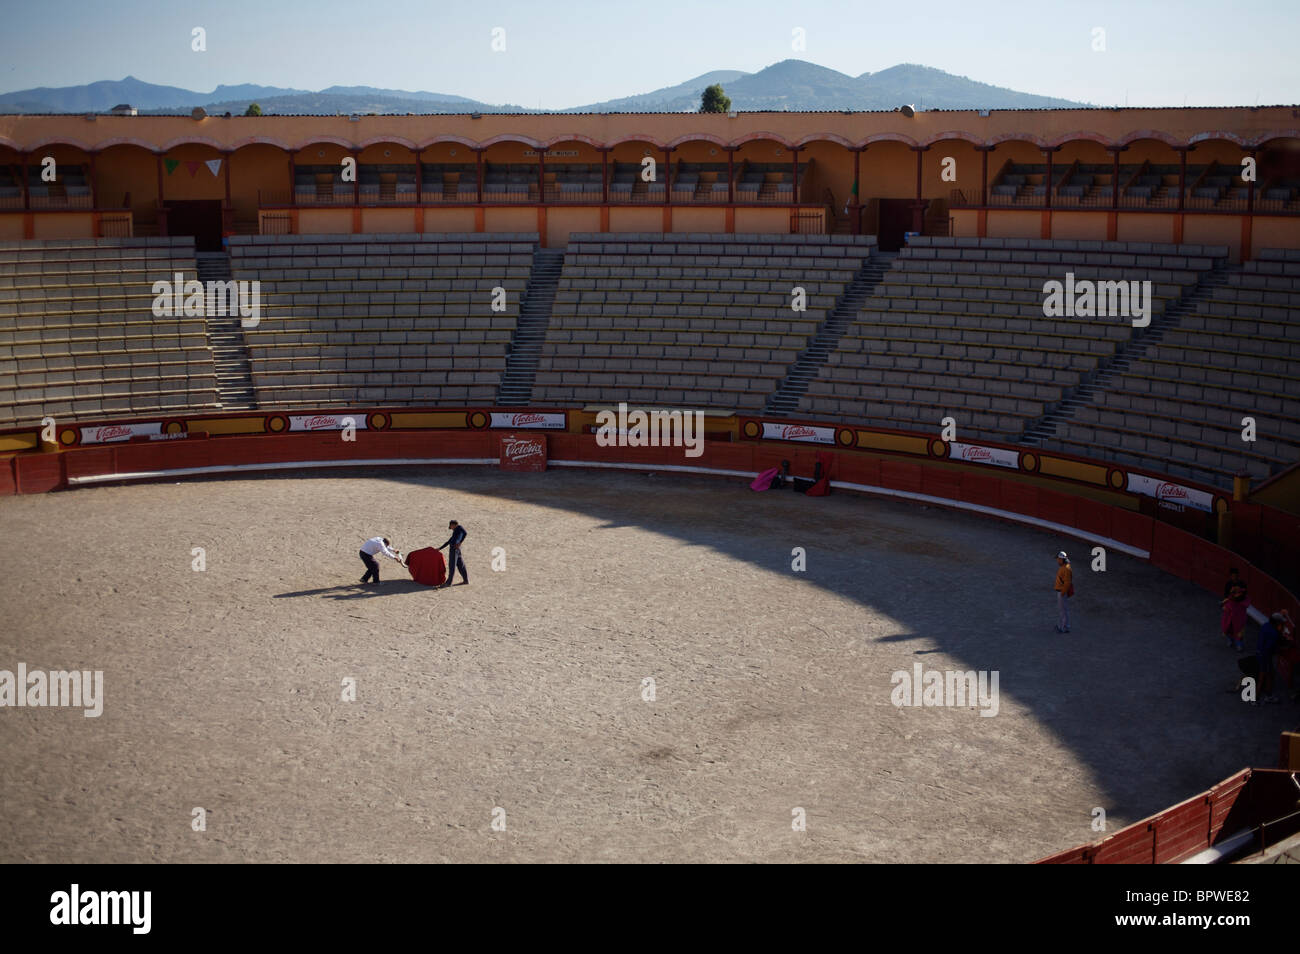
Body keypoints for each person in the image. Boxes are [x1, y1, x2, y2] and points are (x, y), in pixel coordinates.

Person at [438, 520, 468, 588]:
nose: (451, 528)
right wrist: (440, 548)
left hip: (454, 549)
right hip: (457, 549)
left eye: (451, 526)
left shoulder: (459, 528)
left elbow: (465, 533)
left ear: (453, 525)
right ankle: (466, 580)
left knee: (452, 566)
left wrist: (460, 542)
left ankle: (449, 583)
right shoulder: (456, 531)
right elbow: (448, 541)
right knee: (461, 565)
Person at [1222, 583, 1251, 653]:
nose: (1237, 594)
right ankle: (1231, 640)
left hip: (1239, 620)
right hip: (1230, 619)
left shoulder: (1243, 601)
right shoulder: (1231, 598)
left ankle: (1239, 645)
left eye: (1239, 592)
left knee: (1239, 633)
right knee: (1229, 630)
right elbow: (1226, 606)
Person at [1053, 551, 1073, 633]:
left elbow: (1067, 583)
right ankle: (1063, 626)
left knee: (1063, 610)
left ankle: (1063, 627)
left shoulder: (1066, 569)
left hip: (1062, 592)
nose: (1057, 561)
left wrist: (1062, 593)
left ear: (1062, 559)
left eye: (1058, 559)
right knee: (1063, 610)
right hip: (1061, 591)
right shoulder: (1065, 567)